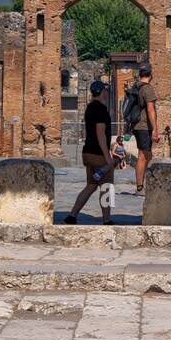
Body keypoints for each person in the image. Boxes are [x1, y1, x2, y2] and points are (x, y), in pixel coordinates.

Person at [64, 80, 119, 224]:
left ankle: (72, 215)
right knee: (107, 187)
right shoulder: (100, 109)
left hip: (88, 153)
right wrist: (108, 157)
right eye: (105, 90)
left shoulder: (89, 108)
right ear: (101, 92)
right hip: (98, 154)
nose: (107, 93)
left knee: (91, 185)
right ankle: (106, 219)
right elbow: (100, 133)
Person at [127, 63, 158, 195]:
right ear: (150, 74)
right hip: (144, 126)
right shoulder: (148, 89)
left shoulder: (136, 86)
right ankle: (139, 187)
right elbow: (151, 110)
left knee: (147, 155)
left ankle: (142, 182)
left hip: (137, 125)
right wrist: (155, 129)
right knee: (142, 156)